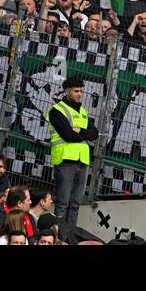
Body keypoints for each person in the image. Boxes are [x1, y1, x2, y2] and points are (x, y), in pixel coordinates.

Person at [46, 76, 98, 227]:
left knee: (75, 204)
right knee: (63, 203)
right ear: (67, 91)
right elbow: (68, 135)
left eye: (81, 91)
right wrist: (83, 133)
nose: (79, 94)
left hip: (82, 161)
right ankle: (58, 237)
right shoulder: (57, 110)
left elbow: (94, 135)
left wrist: (79, 130)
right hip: (65, 161)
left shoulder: (83, 111)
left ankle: (70, 236)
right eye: (76, 91)